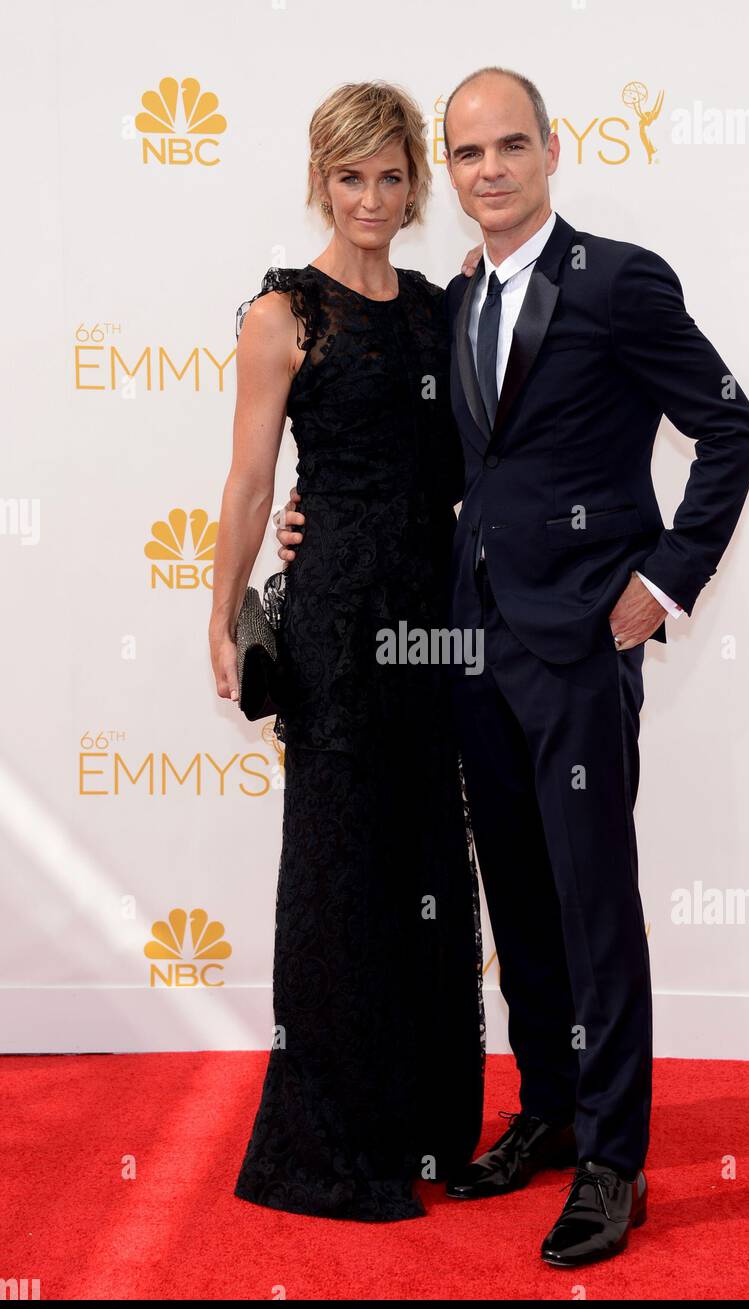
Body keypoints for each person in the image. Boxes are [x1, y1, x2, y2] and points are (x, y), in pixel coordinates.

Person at [277, 66, 749, 1263]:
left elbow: (729, 425)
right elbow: (420, 450)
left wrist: (658, 583)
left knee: (594, 906)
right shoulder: (452, 299)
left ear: (550, 149)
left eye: (507, 146)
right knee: (519, 897)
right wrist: (311, 513)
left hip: (579, 650)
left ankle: (612, 1158)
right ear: (449, 170)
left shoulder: (617, 281)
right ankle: (547, 1107)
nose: (485, 169)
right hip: (472, 648)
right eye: (465, 154)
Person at [208, 81, 485, 1223]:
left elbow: (474, 466)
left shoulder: (441, 309)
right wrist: (221, 610)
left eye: (388, 175)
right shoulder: (283, 316)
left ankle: (422, 1128)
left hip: (433, 620)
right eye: (348, 175)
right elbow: (249, 480)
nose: (369, 197)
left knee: (426, 861)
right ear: (319, 180)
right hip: (335, 622)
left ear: (415, 185)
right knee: (337, 869)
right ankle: (327, 1143)